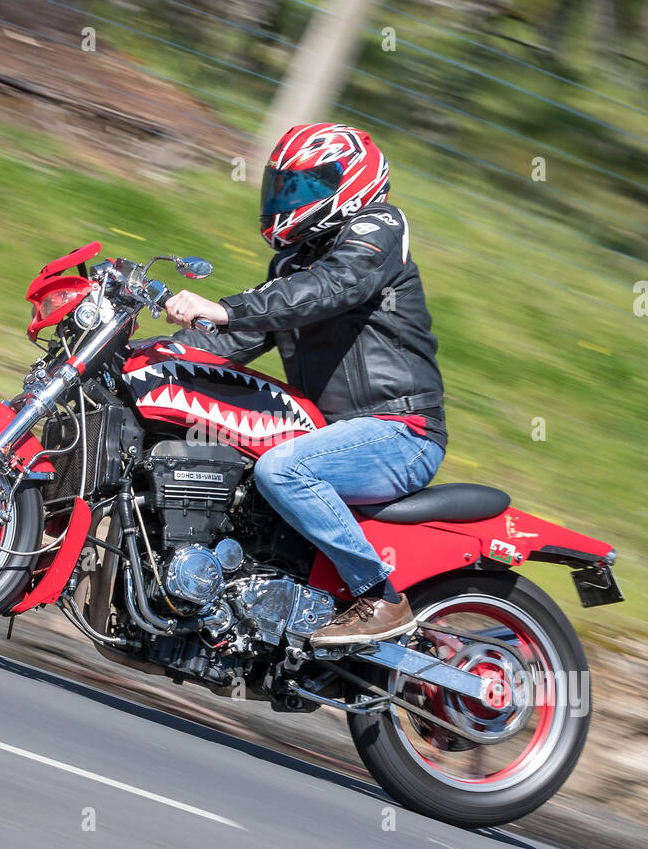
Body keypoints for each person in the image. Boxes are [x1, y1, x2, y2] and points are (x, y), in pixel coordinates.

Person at [164, 122, 447, 646]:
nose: (287, 199)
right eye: (283, 186)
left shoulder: (377, 230)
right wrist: (154, 355)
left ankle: (381, 597)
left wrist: (223, 308)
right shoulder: (295, 262)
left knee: (283, 469)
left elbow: (333, 287)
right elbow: (239, 339)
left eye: (305, 187)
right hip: (335, 432)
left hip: (400, 432)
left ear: (351, 182)